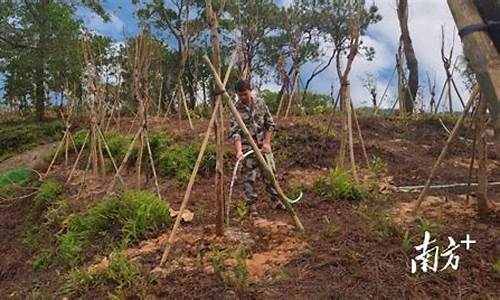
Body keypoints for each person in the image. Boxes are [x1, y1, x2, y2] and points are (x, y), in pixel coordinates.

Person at [228, 80, 284, 217]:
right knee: (249, 177)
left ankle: (276, 200)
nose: (242, 98)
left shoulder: (260, 103)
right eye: (240, 95)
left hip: (262, 146)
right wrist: (239, 151)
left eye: (245, 94)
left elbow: (269, 124)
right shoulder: (235, 109)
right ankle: (252, 206)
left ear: (250, 90)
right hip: (248, 148)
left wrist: (267, 142)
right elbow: (235, 133)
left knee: (270, 174)